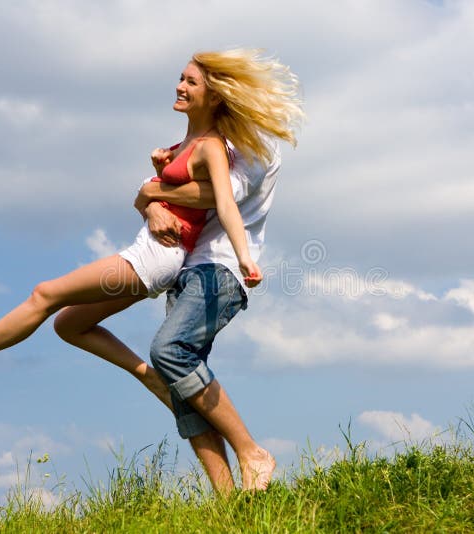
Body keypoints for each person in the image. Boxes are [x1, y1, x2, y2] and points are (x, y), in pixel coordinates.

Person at [56, 50, 303, 493]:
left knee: (170, 352)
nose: (179, 87)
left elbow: (216, 196)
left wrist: (153, 187)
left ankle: (251, 452)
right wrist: (153, 201)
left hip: (221, 269)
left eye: (191, 81)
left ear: (219, 93)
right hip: (189, 268)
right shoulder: (208, 142)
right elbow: (173, 193)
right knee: (184, 385)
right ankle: (230, 500)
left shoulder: (256, 146)